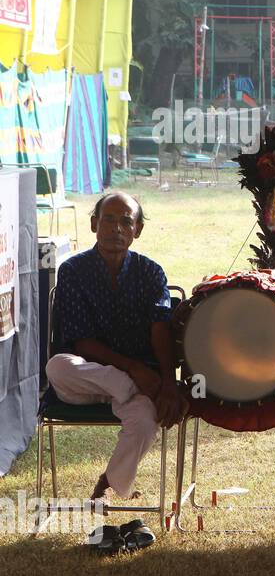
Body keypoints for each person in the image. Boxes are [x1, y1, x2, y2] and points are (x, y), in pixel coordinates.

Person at [45, 192, 186, 501]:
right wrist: (135, 372)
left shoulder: (150, 272)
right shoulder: (73, 271)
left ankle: (109, 485)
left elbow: (160, 328)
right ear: (95, 224)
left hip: (140, 386)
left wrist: (168, 382)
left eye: (126, 221)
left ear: (137, 230)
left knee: (145, 423)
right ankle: (129, 385)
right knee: (57, 366)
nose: (116, 228)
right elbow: (81, 341)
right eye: (108, 219)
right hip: (88, 381)